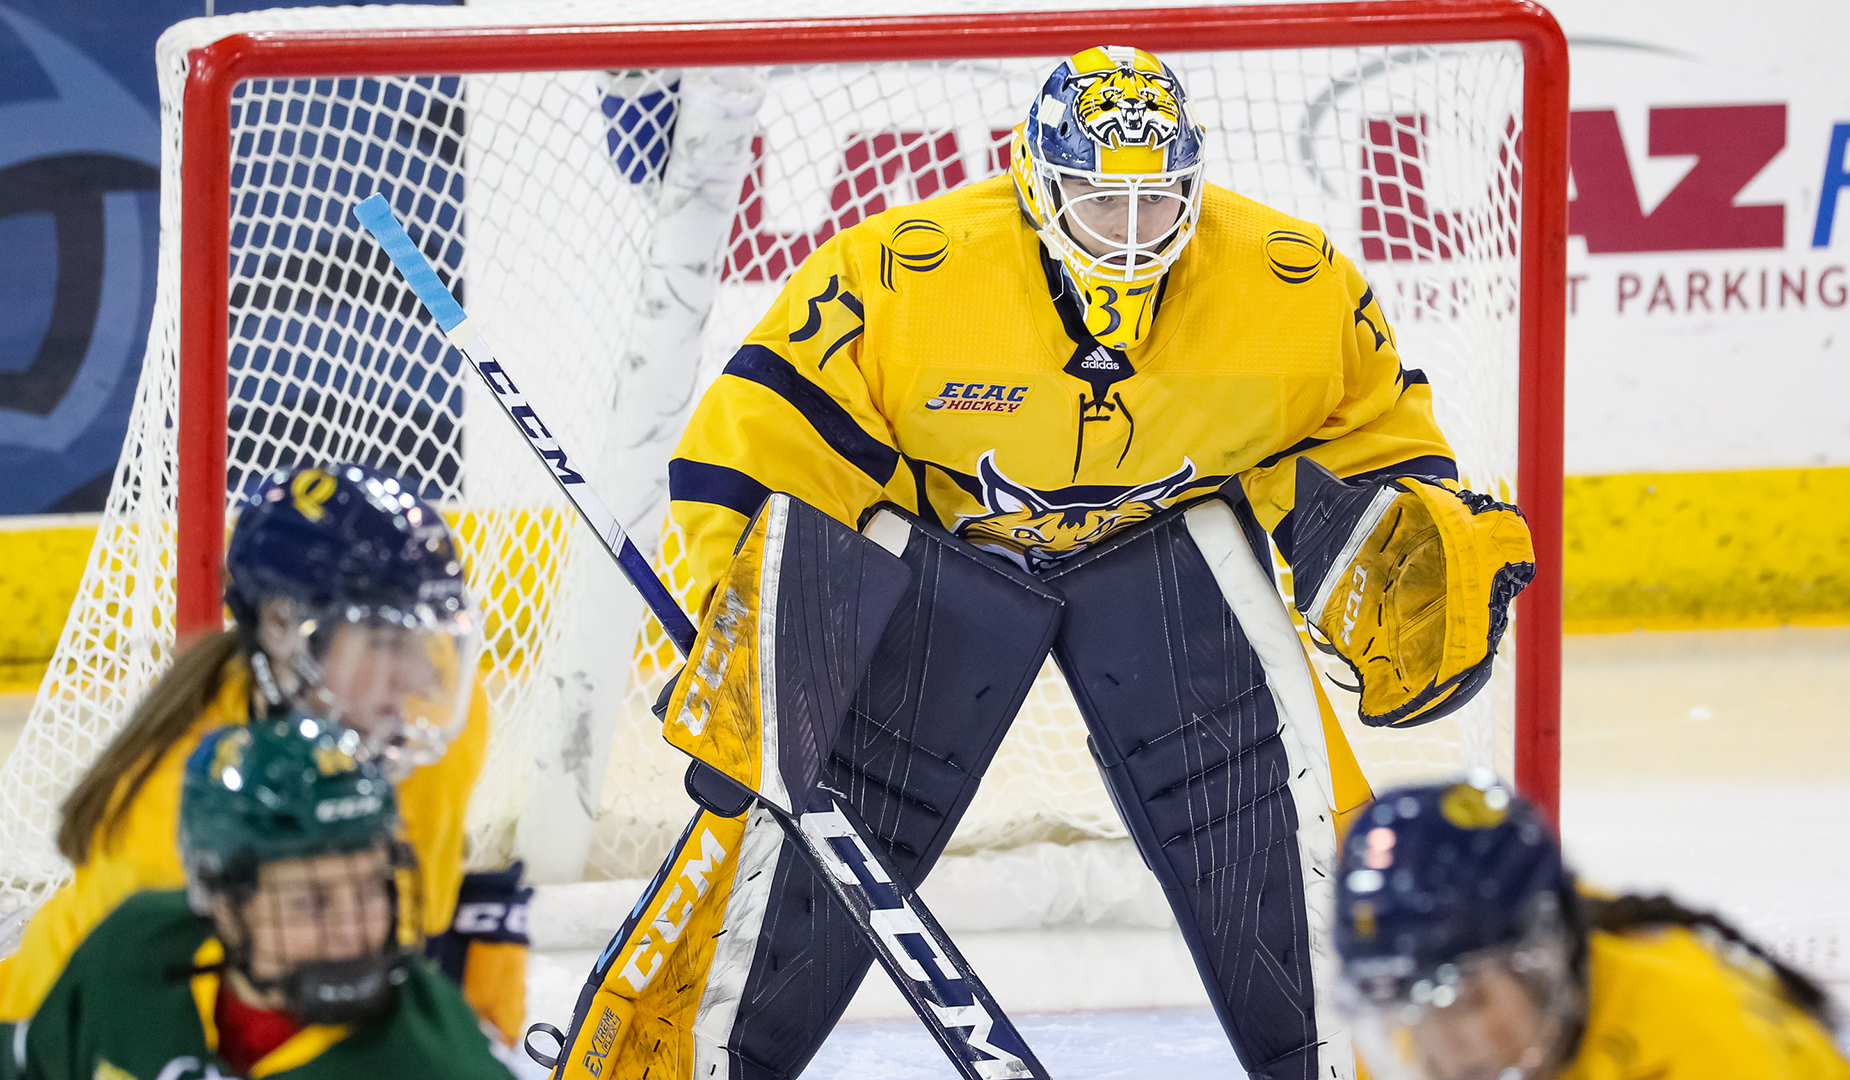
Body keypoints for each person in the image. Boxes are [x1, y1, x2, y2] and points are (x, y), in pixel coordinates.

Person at [564, 45, 1534, 1080]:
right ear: (1037, 181)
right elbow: (765, 445)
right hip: (936, 572)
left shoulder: (1290, 285)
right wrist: (745, 643)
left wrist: (1416, 547)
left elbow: (1375, 438)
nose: (1131, 231)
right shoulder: (907, 275)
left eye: (1157, 200)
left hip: (1172, 577)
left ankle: (1363, 1062)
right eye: (1100, 199)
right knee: (778, 835)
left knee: (1278, 828)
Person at [0, 463, 528, 1046]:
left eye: (426, 639)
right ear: (281, 626)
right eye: (384, 641)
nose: (420, 677)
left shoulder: (424, 718)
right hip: (68, 1029)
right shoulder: (175, 814)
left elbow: (404, 939)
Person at [0, 715, 515, 1079]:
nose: (352, 930)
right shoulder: (138, 953)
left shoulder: (437, 1059)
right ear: (224, 903)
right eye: (310, 903)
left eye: (369, 890)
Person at [1332, 777, 1850, 1080]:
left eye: (1463, 999)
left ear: (1542, 959)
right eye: (1398, 1006)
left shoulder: (1694, 1047)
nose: (1441, 1049)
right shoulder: (1540, 971)